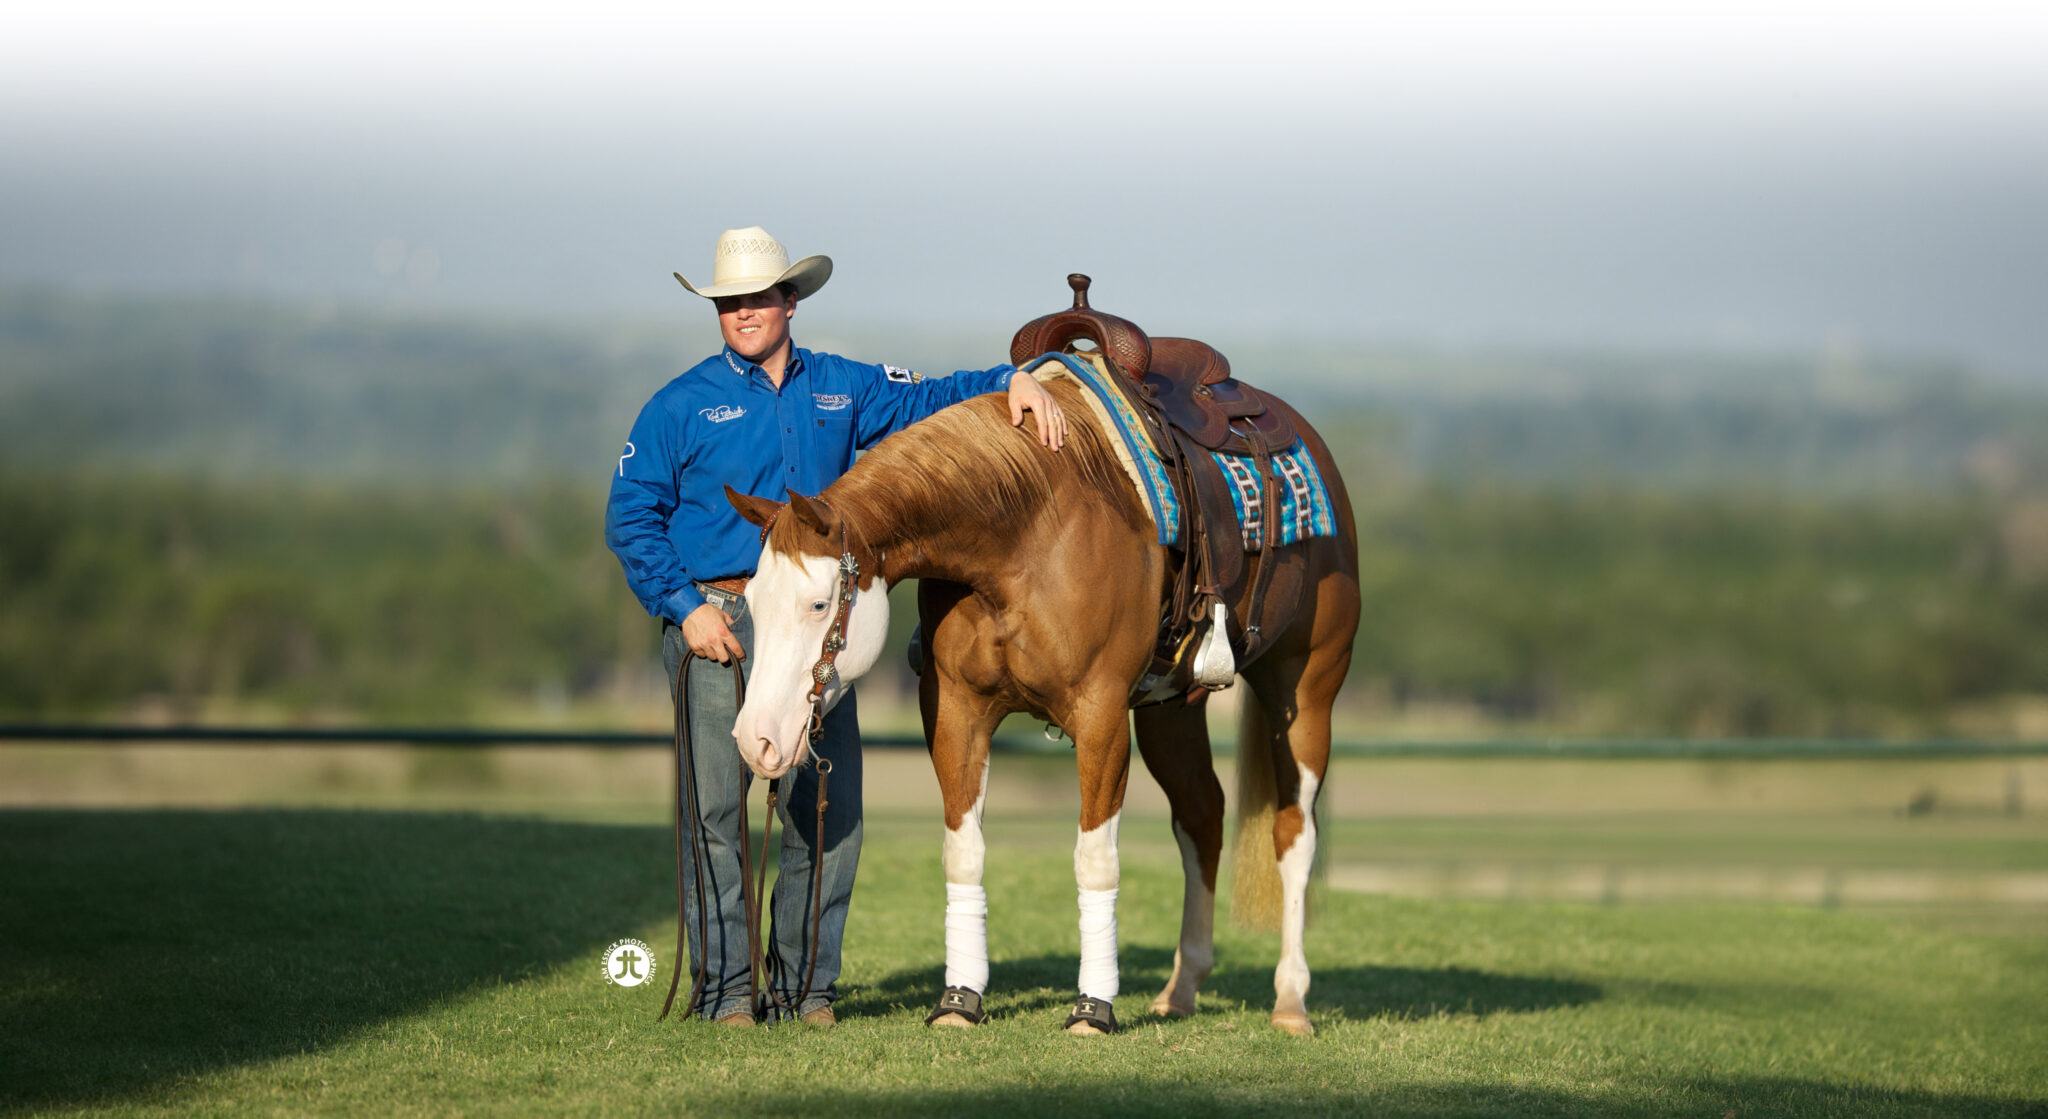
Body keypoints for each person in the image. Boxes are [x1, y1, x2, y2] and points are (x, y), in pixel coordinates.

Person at [604, 227, 1066, 1027]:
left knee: (826, 812)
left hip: (816, 625)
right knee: (716, 815)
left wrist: (1011, 378)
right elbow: (630, 516)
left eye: (756, 297)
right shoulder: (678, 405)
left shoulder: (844, 388)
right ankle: (725, 995)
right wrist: (687, 607)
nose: (742, 312)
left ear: (791, 301)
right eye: (727, 302)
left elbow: (929, 400)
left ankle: (807, 990)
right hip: (722, 620)